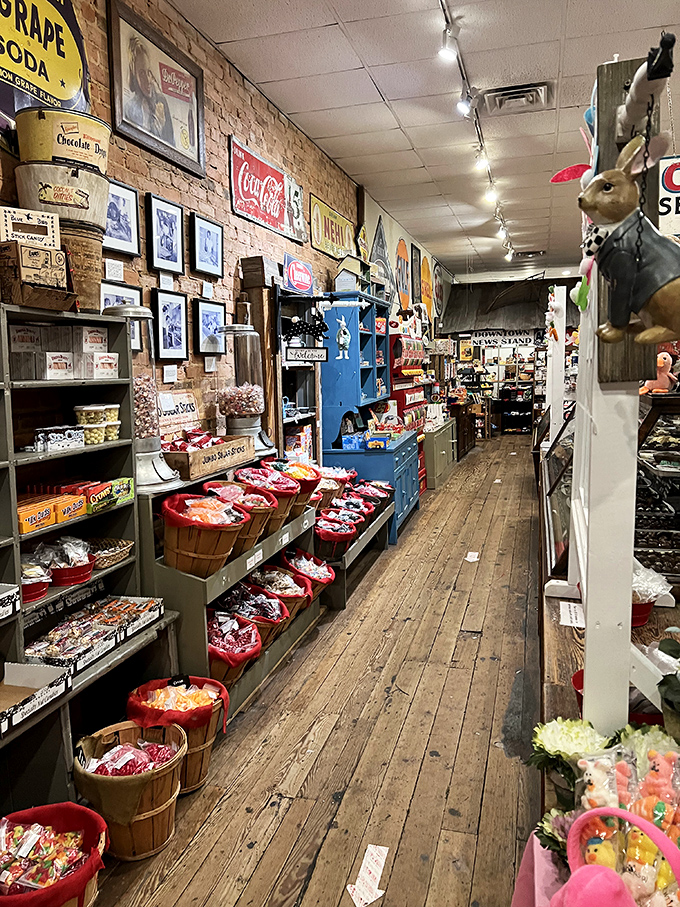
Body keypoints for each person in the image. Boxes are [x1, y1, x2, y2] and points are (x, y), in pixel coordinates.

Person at [125, 36, 175, 146]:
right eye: (141, 73)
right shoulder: (129, 108)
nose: (147, 80)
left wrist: (160, 129)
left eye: (148, 72)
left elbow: (171, 145)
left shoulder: (161, 101)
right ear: (134, 76)